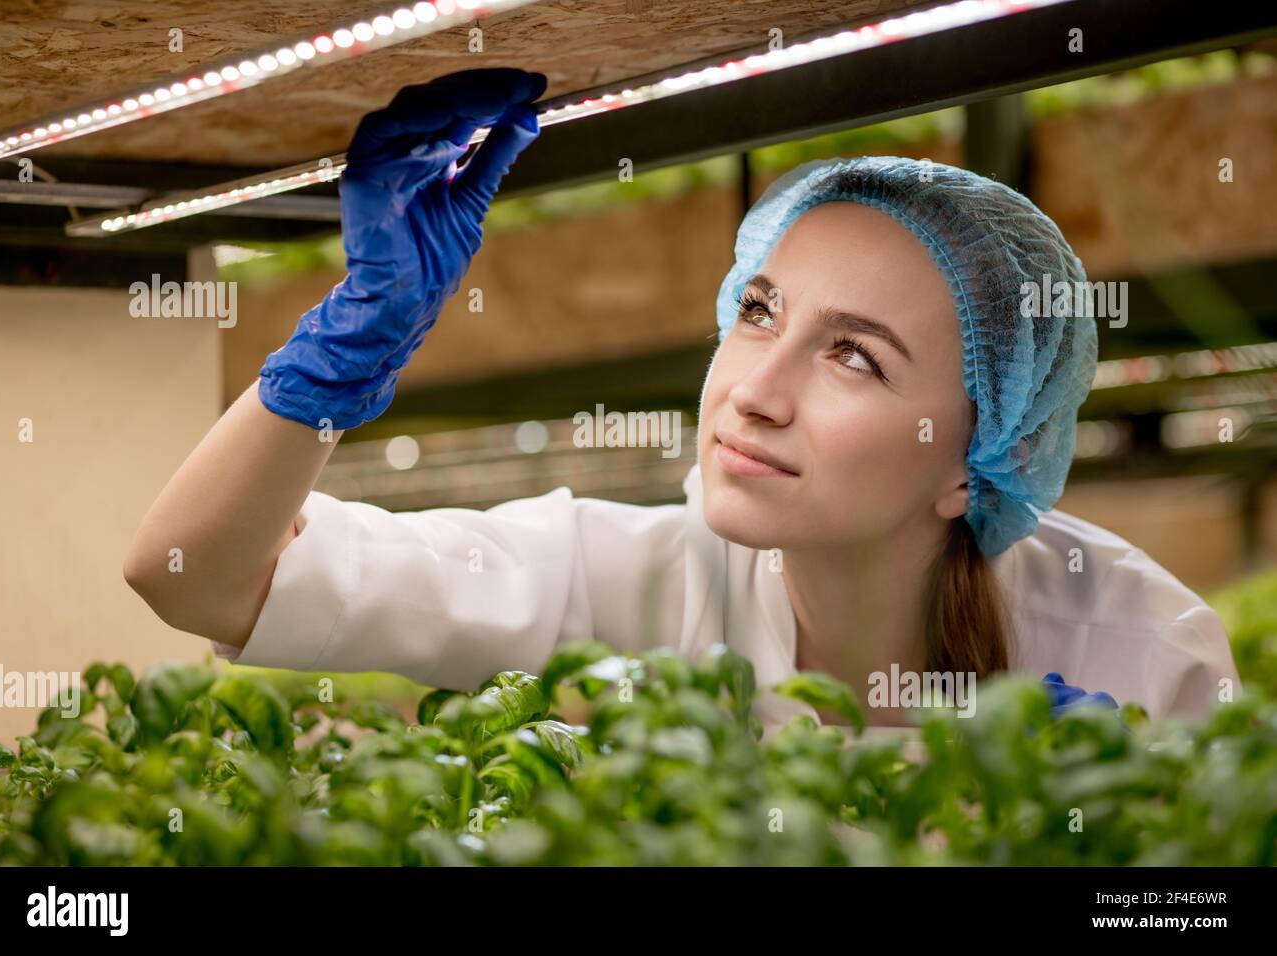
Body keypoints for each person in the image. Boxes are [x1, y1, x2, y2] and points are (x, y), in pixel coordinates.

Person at [123, 68, 1241, 735]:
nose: (753, 392)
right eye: (758, 311)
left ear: (977, 455)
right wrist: (350, 338)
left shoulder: (1142, 654)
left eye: (854, 357)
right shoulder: (619, 575)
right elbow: (192, 575)